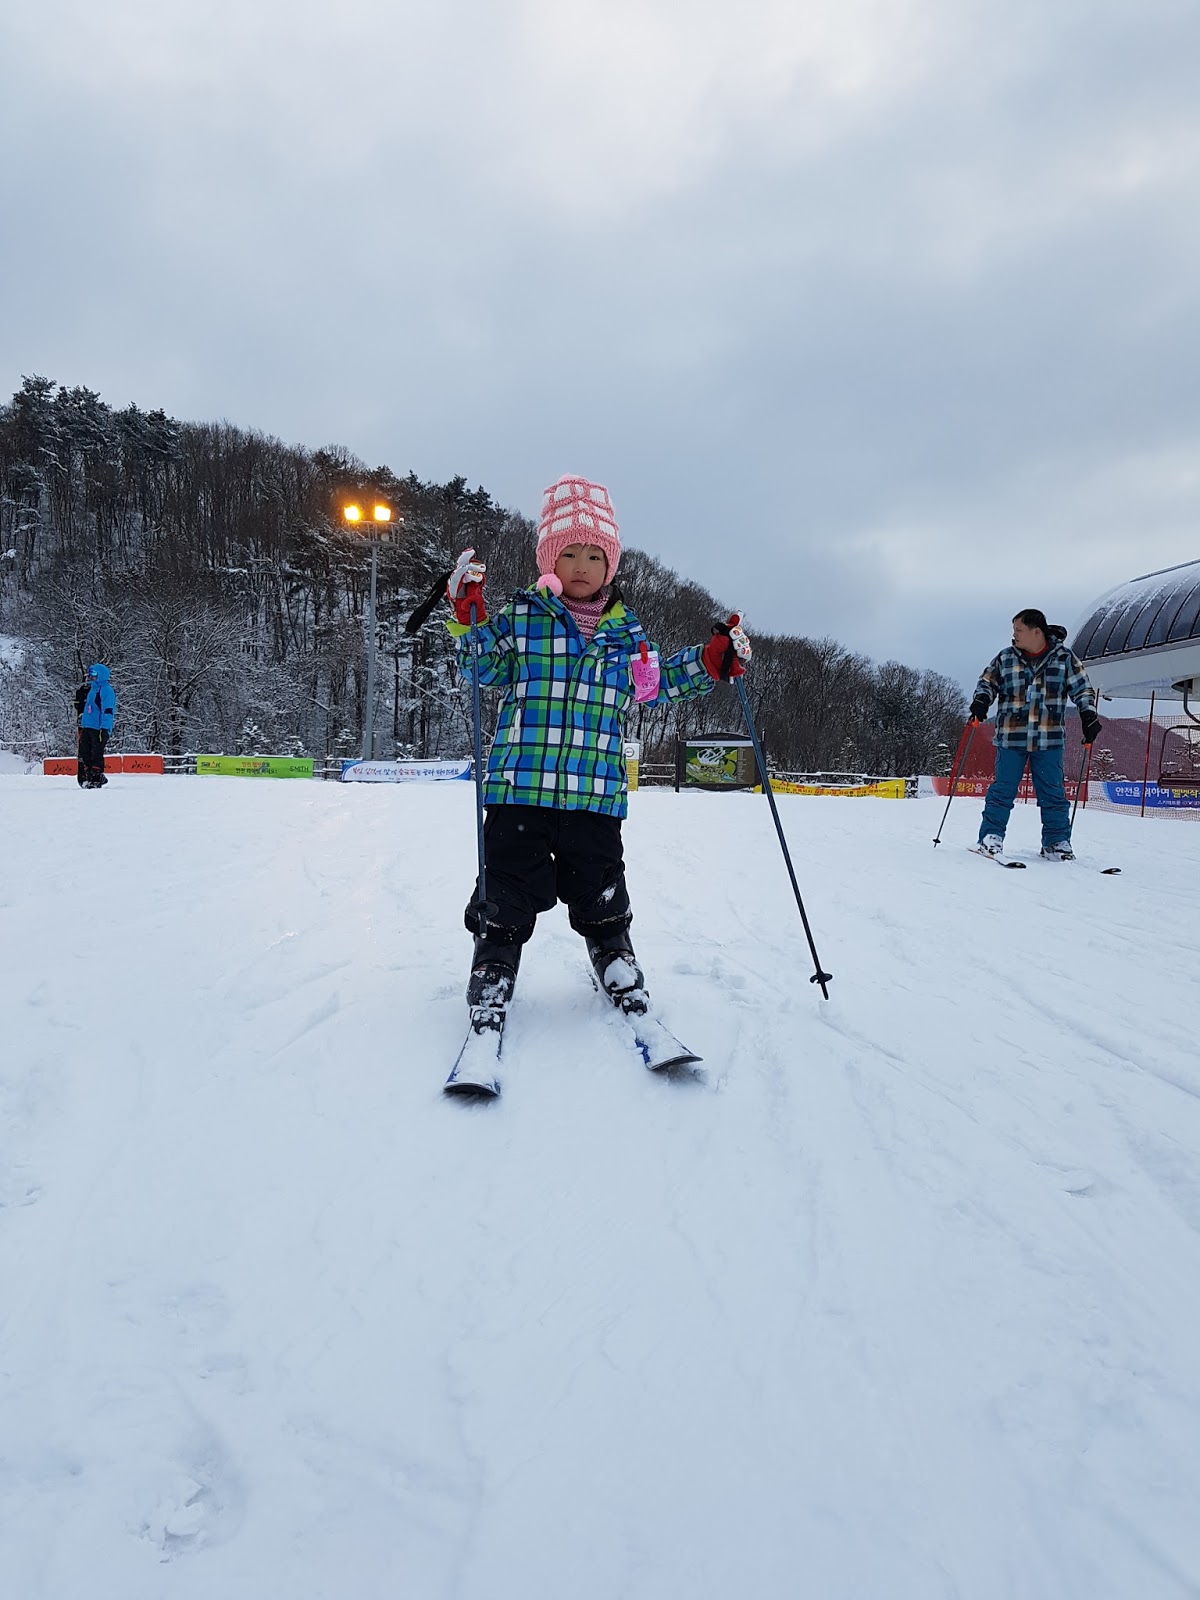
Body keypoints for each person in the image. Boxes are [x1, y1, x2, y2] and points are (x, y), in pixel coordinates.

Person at [445, 474, 751, 1035]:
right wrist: (471, 618)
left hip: (595, 792)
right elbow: (484, 668)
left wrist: (709, 661)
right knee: (507, 881)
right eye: (568, 554)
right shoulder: (523, 618)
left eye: (594, 555)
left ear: (610, 565)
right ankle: (494, 964)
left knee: (600, 883)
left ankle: (613, 953)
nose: (581, 565)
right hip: (521, 785)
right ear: (548, 559)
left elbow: (657, 684)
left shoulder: (626, 636)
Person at [969, 609, 1100, 861]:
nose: (1014, 635)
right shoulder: (1006, 657)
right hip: (1011, 737)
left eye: (1019, 630)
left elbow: (1083, 688)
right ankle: (991, 837)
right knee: (1002, 790)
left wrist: (1088, 714)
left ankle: (1056, 842)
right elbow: (987, 681)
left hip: (1049, 739)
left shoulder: (1064, 658)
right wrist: (982, 700)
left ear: (1036, 632)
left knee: (1053, 793)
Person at [76, 663, 117, 789]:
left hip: (98, 728)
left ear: (101, 675)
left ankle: (96, 777)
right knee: (85, 753)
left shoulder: (106, 690)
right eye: (90, 674)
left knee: (96, 754)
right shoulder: (92, 690)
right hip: (87, 726)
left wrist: (105, 729)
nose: (91, 676)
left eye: (94, 674)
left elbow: (108, 711)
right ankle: (87, 777)